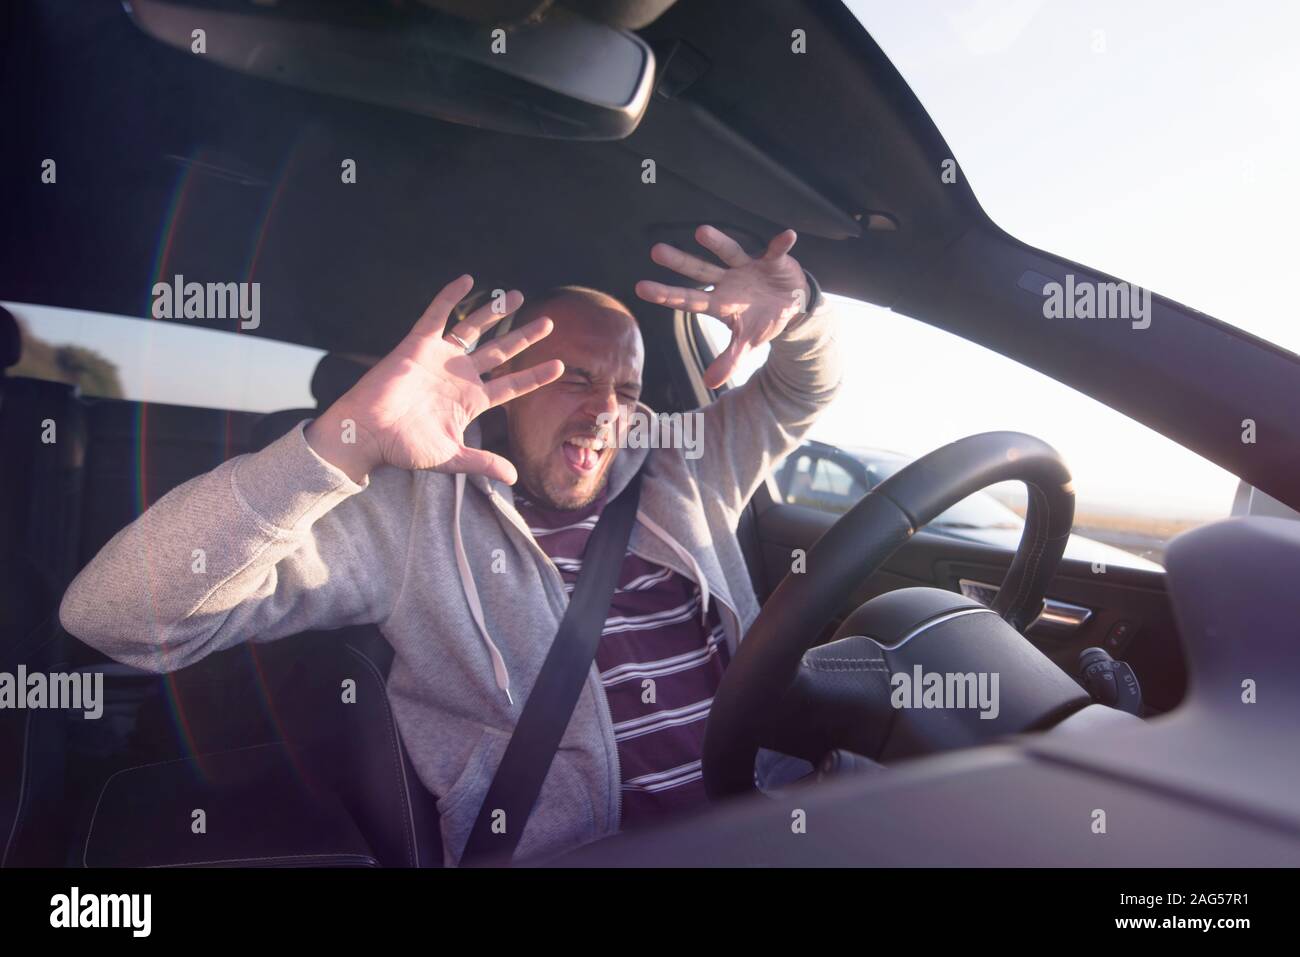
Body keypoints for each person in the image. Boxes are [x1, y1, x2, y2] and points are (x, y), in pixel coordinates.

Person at [59, 225, 841, 865]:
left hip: (775, 824)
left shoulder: (685, 466)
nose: (609, 410)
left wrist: (804, 312)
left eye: (628, 390)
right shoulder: (407, 519)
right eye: (574, 378)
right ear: (500, 391)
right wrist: (343, 441)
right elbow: (117, 615)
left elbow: (802, 388)